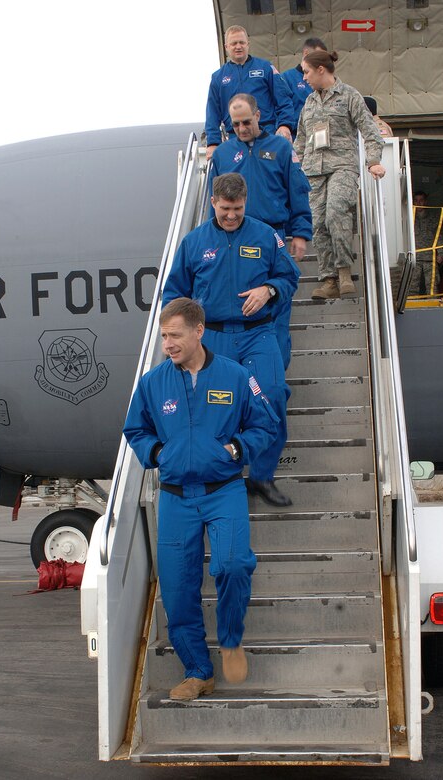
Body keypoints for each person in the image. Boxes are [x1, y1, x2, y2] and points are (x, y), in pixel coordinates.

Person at [123, 298, 278, 701]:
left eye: (174, 335)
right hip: (175, 498)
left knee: (233, 565)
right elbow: (136, 430)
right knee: (177, 590)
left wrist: (235, 450)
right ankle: (197, 671)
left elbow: (264, 425)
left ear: (198, 331)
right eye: (163, 336)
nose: (167, 344)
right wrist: (158, 453)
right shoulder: (153, 383)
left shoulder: (236, 376)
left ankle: (230, 639)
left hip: (223, 491)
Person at [163, 172, 300, 507]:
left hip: (257, 334)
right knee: (213, 408)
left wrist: (269, 290)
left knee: (271, 395)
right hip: (211, 337)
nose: (231, 215)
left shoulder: (266, 236)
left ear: (245, 202)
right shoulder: (194, 242)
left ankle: (262, 477)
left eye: (237, 208)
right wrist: (179, 337)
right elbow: (174, 294)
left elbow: (289, 276)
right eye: (225, 208)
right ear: (213, 202)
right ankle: (222, 477)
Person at [210, 92, 312, 367]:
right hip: (232, 240)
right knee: (238, 307)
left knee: (276, 304)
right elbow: (214, 204)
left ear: (258, 115)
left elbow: (298, 191)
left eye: (246, 122)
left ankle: (274, 374)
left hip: (273, 236)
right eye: (235, 124)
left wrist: (300, 233)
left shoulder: (281, 148)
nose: (241, 128)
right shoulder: (222, 154)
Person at [294, 50, 385, 300]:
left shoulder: (349, 96)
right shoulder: (309, 102)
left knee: (336, 212)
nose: (304, 78)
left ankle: (344, 272)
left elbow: (370, 131)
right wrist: (293, 172)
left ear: (321, 69)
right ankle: (329, 279)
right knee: (317, 222)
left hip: (342, 167)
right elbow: (300, 142)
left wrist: (373, 161)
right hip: (313, 170)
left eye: (307, 72)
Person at [205, 25, 294, 161]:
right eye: (234, 43)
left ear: (248, 44)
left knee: (269, 169)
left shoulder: (265, 68)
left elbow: (284, 99)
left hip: (266, 135)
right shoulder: (218, 77)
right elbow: (212, 113)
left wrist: (284, 125)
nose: (238, 46)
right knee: (239, 173)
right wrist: (213, 143)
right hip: (235, 138)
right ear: (226, 47)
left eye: (242, 42)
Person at [281, 37, 327, 136]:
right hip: (297, 135)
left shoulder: (324, 79)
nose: (321, 61)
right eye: (318, 56)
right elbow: (283, 108)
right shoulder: (287, 78)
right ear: (306, 53)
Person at [410, 190, 443, 296]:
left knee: (432, 286)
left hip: (430, 257)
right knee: (412, 286)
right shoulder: (409, 218)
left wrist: (441, 253)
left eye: (421, 200)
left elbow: (440, 235)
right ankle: (412, 305)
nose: (419, 203)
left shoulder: (433, 218)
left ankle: (433, 305)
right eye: (416, 200)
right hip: (414, 257)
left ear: (426, 202)